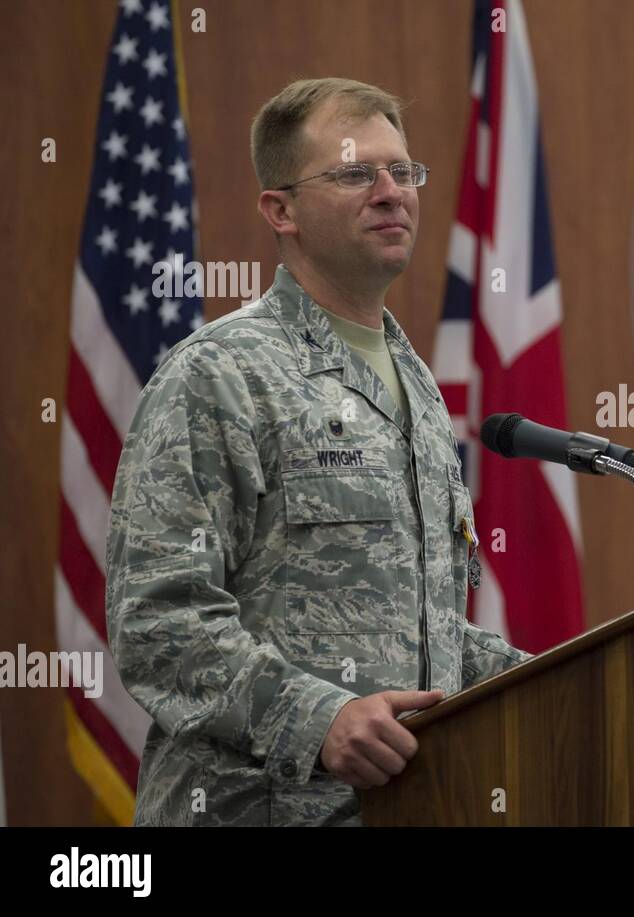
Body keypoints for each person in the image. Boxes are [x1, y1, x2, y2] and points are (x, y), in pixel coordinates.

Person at [106, 78, 530, 826]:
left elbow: (415, 623)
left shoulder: (418, 388)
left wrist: (561, 680)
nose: (391, 191)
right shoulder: (220, 375)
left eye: (403, 171)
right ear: (282, 210)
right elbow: (157, 622)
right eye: (355, 172)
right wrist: (319, 719)